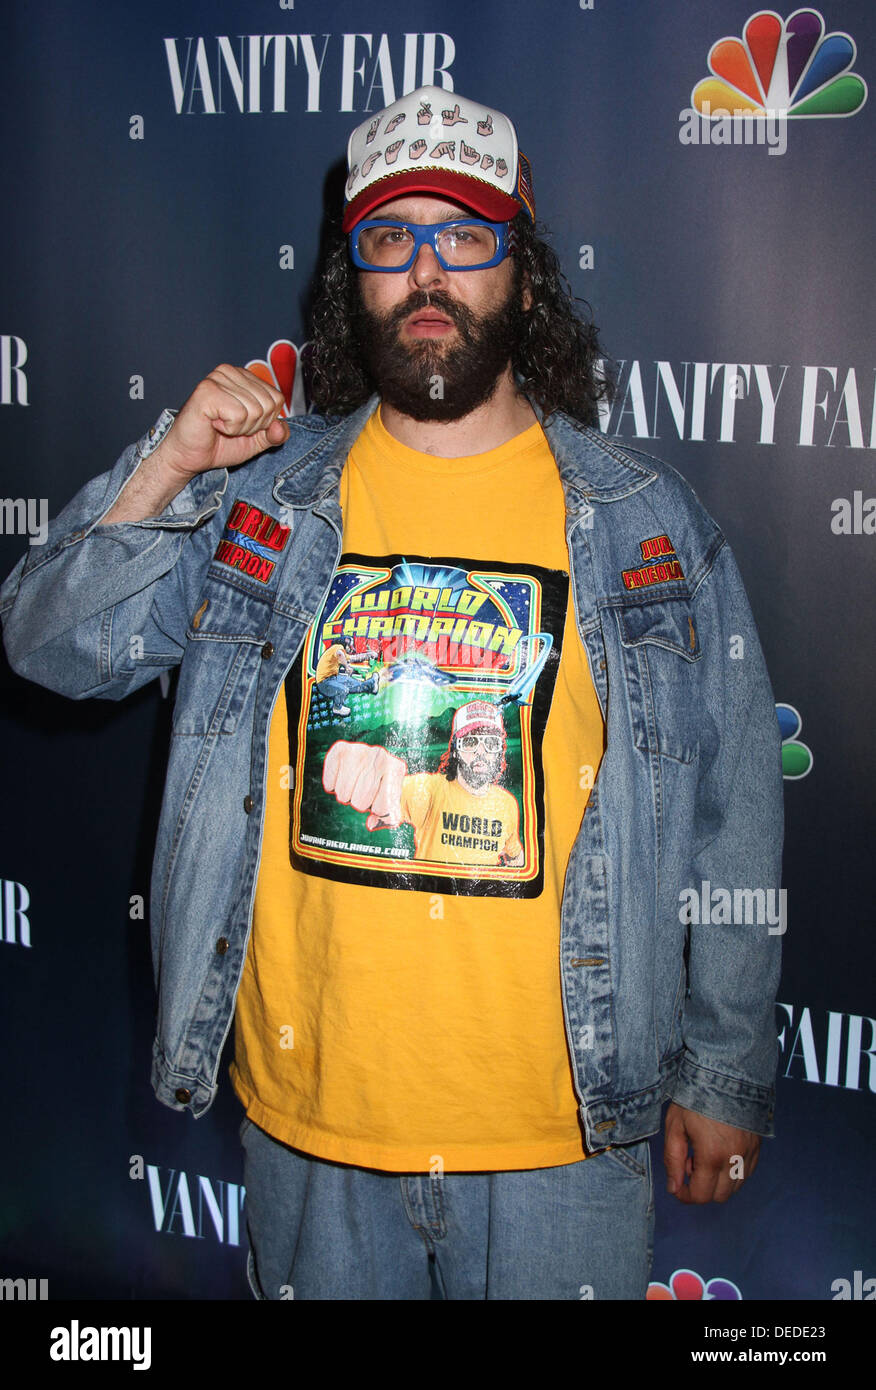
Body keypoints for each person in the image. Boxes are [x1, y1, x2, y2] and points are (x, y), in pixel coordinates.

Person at [0, 84, 783, 1301]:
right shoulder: (263, 500)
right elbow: (46, 642)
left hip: (561, 1144)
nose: (428, 273)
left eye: (464, 236)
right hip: (313, 1132)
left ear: (522, 271)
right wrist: (167, 463)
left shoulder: (647, 525)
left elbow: (738, 801)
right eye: (389, 239)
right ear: (348, 275)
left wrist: (725, 1068)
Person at [322, 699, 526, 866]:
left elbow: (514, 855)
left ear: (500, 750)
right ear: (455, 750)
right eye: (470, 742)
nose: (481, 752)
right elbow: (396, 788)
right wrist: (375, 776)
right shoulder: (430, 790)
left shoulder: (506, 803)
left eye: (491, 743)